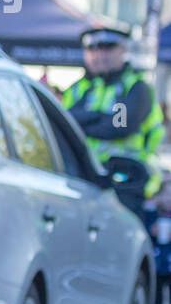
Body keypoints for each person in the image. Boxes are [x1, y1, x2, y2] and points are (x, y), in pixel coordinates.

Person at [63, 25, 165, 194]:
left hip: (127, 180)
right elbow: (65, 122)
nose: (99, 55)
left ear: (122, 50)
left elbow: (118, 127)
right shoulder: (78, 88)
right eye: (91, 49)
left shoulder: (136, 87)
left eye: (107, 48)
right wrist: (100, 117)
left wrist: (83, 121)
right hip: (84, 176)